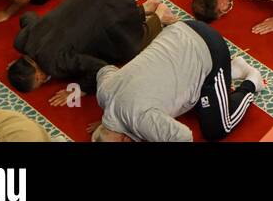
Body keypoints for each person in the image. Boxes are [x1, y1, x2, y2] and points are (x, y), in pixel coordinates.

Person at [8, 0, 171, 99]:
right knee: (90, 24)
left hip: (116, 3)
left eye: (39, 83)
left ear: (37, 77)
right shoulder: (22, 40)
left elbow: (99, 67)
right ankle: (143, 9)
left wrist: (80, 90)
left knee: (128, 50)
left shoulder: (56, 64)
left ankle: (159, 15)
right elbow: (28, 17)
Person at [92, 20, 263, 142]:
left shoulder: (142, 121)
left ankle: (251, 83)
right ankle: (232, 70)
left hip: (211, 51)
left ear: (124, 139)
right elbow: (105, 70)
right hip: (179, 29)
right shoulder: (105, 93)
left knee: (217, 129)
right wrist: (111, 117)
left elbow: (184, 137)